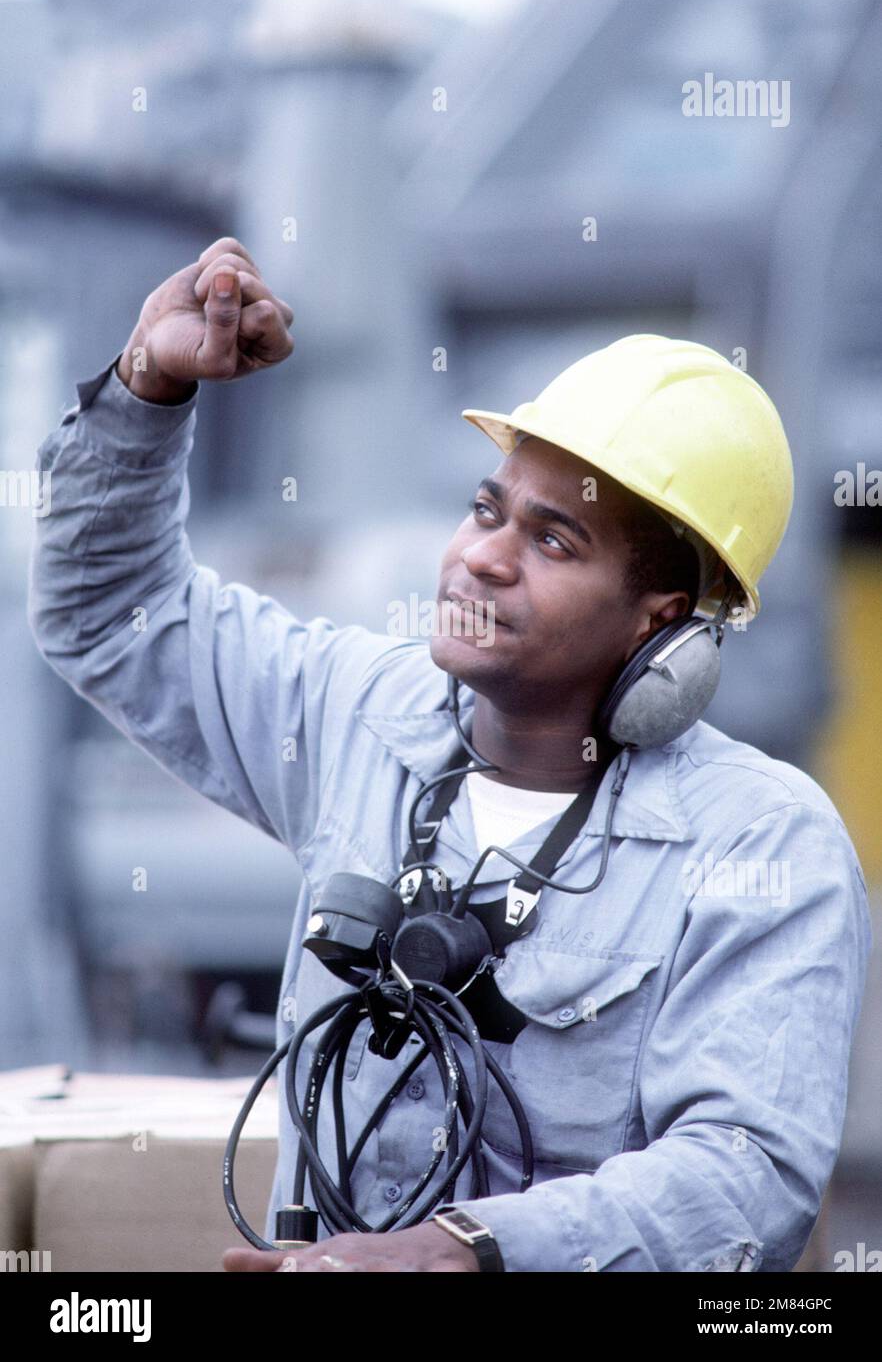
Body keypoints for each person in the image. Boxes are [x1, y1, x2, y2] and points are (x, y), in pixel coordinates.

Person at [27, 237, 871, 1274]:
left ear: (662, 624)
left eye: (553, 541)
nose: (482, 554)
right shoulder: (358, 714)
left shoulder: (762, 841)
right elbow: (109, 616)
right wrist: (148, 390)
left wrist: (460, 1252)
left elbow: (742, 1180)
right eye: (486, 509)